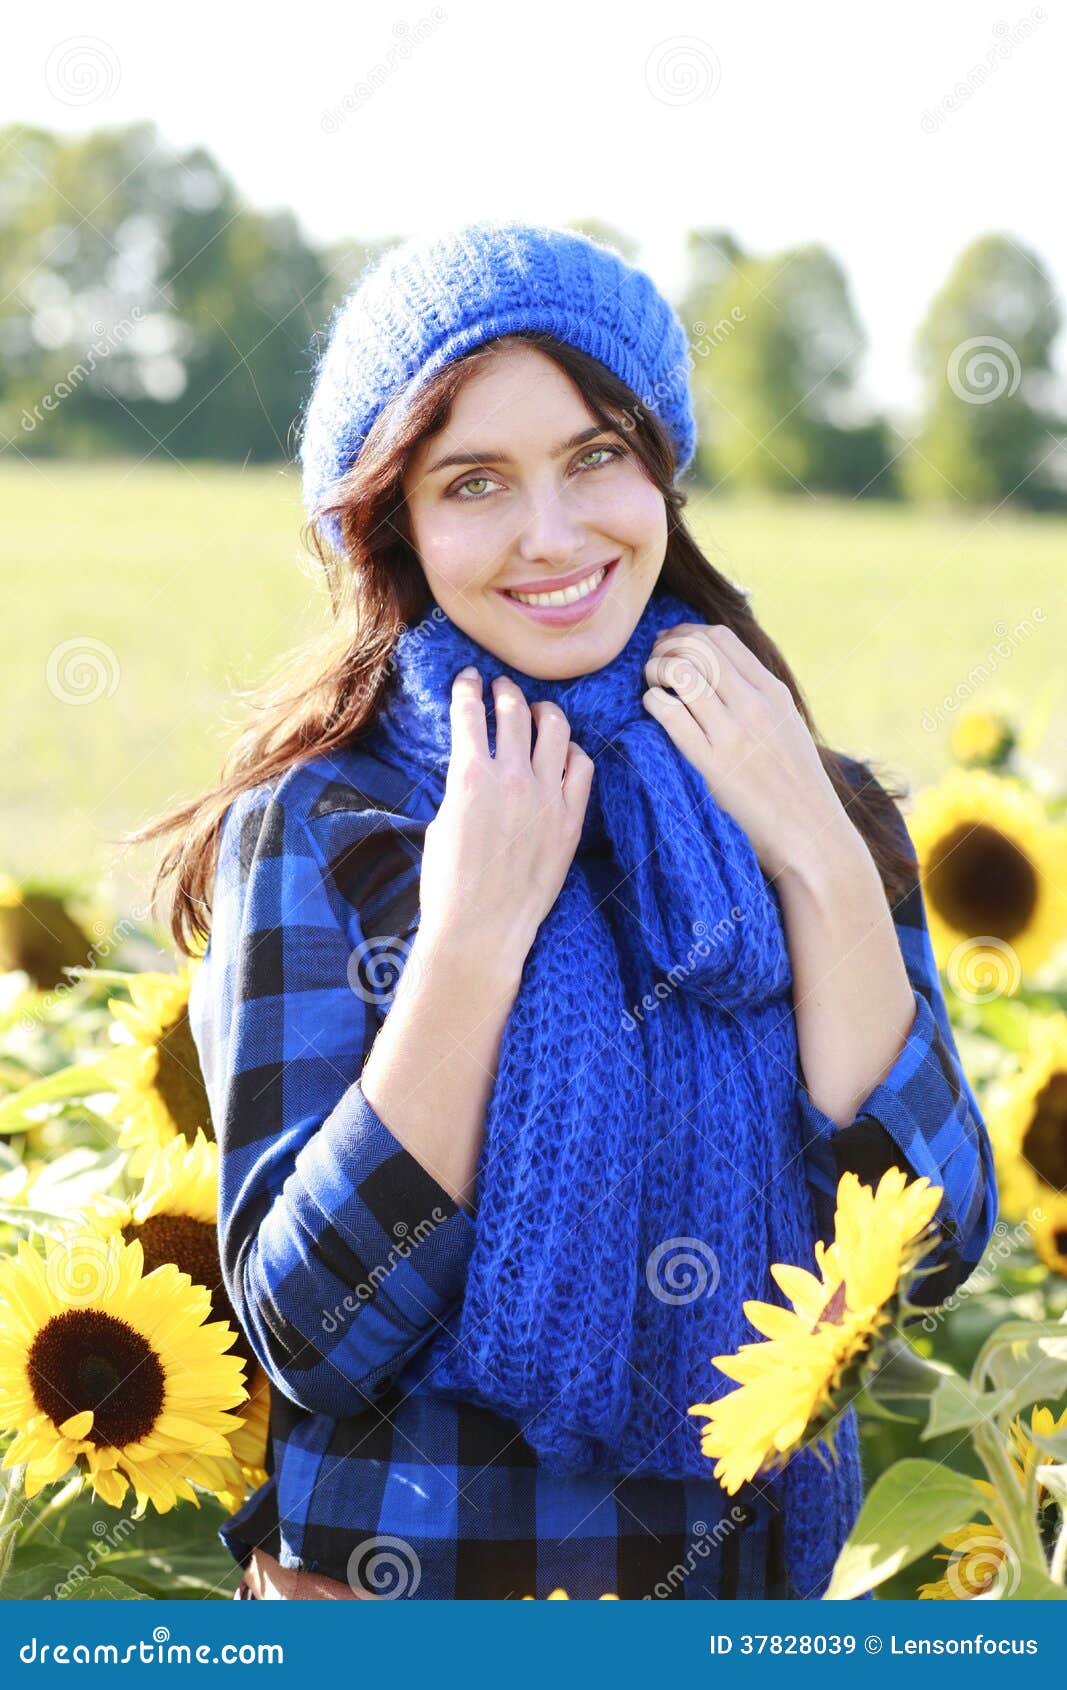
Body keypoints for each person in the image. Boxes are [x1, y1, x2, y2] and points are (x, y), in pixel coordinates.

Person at [148, 222, 996, 1599]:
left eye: (596, 454)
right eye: (474, 481)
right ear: (397, 523)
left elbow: (926, 1246)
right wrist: (475, 939)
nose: (554, 535)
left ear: (659, 467)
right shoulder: (328, 829)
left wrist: (822, 865)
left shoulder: (799, 793)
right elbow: (315, 1330)